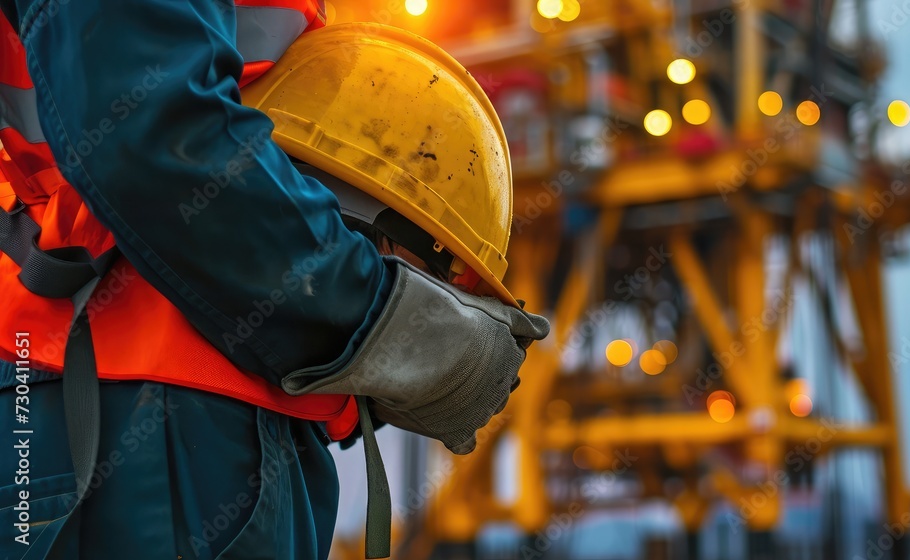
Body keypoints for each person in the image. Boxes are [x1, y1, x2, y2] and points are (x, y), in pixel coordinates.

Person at [0, 1, 548, 559]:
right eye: (436, 278)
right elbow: (144, 128)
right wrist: (386, 323)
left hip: (130, 371)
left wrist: (357, 345)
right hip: (168, 399)